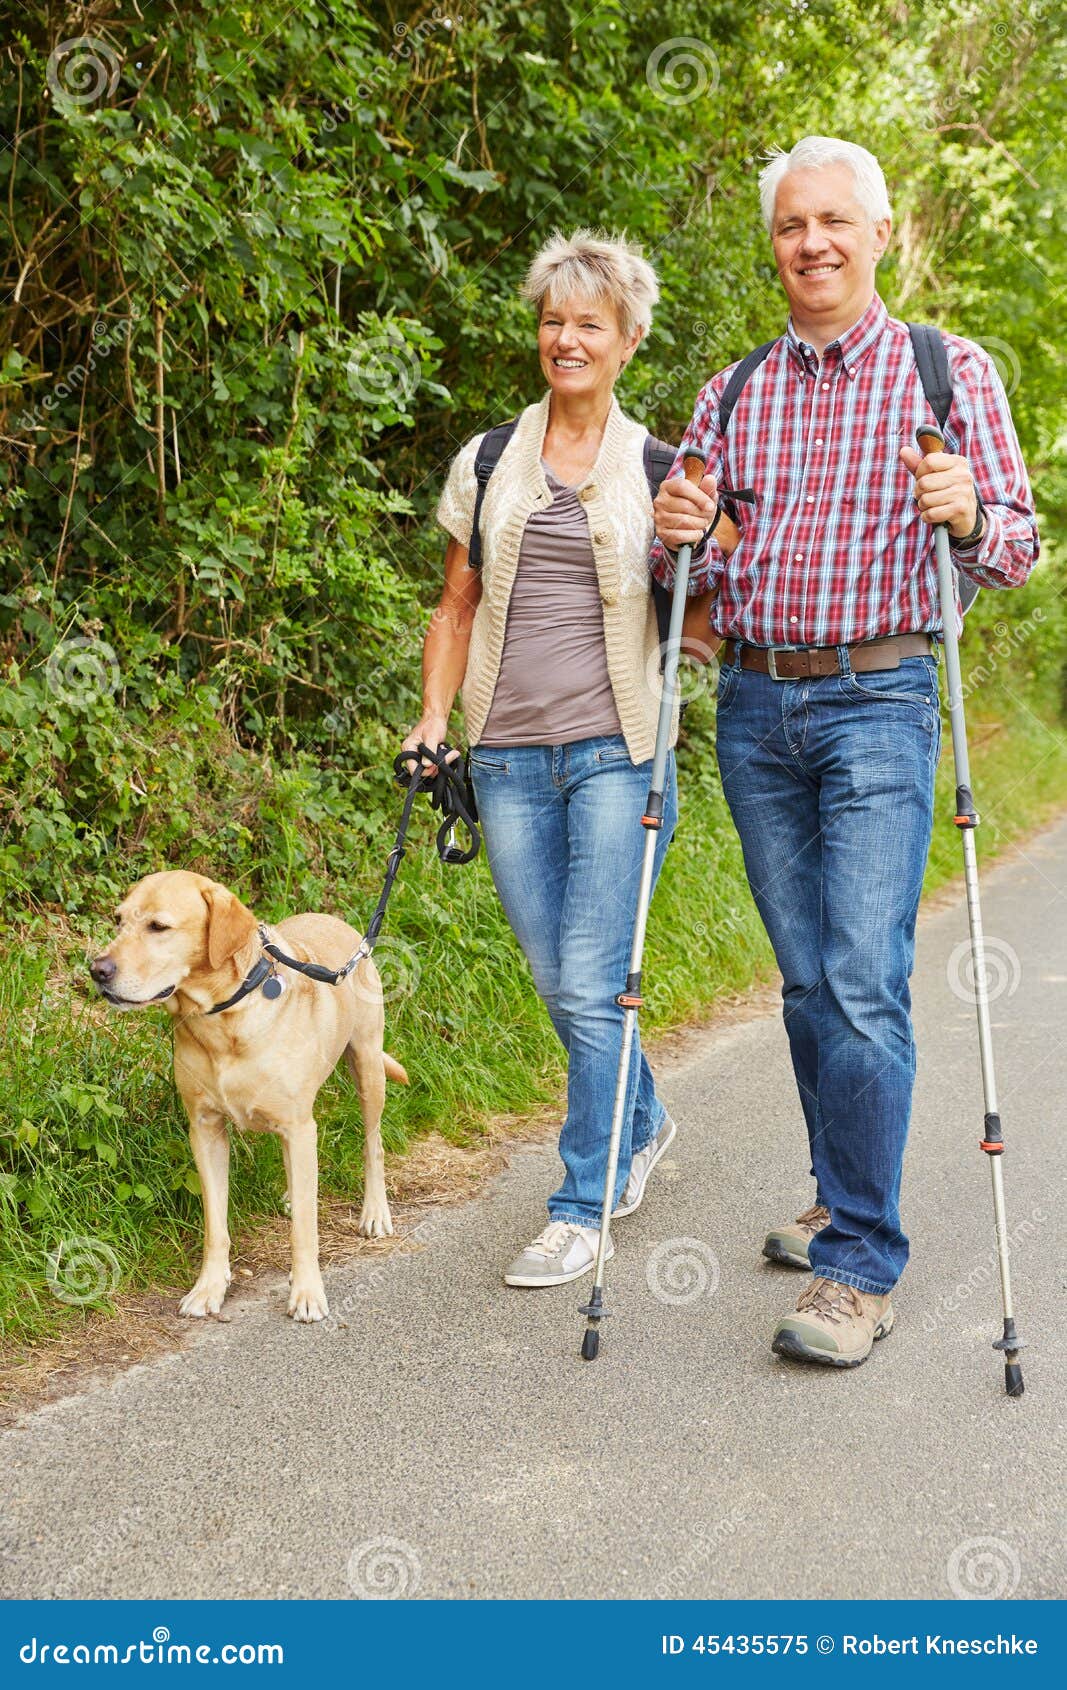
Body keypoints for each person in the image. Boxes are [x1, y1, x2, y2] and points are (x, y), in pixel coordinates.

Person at [651, 135, 1038, 1369]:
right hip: (757, 710)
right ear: (771, 244)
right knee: (808, 979)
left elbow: (1016, 546)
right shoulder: (731, 391)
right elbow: (686, 577)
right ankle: (836, 1189)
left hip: (880, 698)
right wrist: (674, 537)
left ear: (878, 236)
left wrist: (968, 510)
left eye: (832, 222)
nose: (809, 243)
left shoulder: (945, 371)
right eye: (788, 225)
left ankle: (857, 1264)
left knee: (862, 974)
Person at [405, 230, 714, 1288]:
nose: (565, 339)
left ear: (627, 340)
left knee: (592, 981)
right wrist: (431, 718)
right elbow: (454, 605)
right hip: (504, 760)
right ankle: (643, 1117)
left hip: (618, 756)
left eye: (588, 323)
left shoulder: (664, 471)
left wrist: (701, 558)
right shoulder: (489, 460)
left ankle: (578, 1205)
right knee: (558, 981)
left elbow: (705, 629)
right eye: (552, 320)